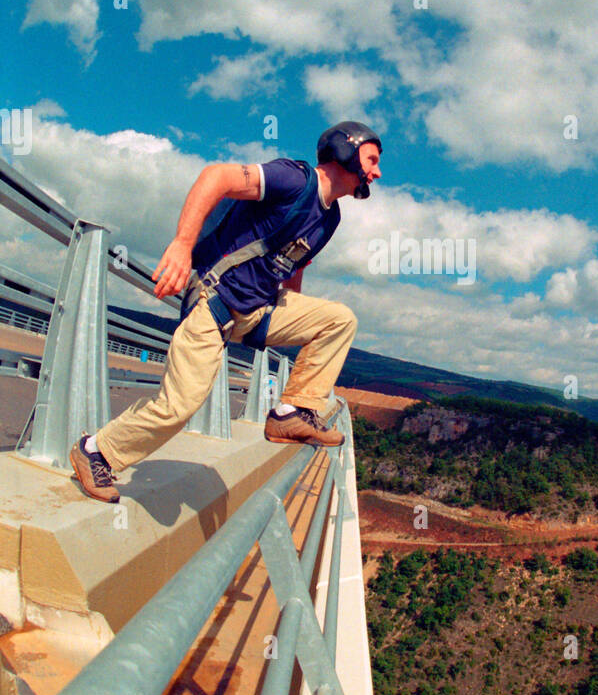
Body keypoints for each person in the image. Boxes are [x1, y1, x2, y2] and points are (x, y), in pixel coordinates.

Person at [69, 121, 382, 502]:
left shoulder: (330, 218)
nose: (376, 172)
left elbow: (294, 263)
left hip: (258, 308)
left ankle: (291, 413)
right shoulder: (292, 179)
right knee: (179, 406)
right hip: (214, 303)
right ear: (345, 149)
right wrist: (183, 245)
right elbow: (215, 176)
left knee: (339, 320)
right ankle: (96, 451)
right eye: (371, 160)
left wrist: (290, 321)